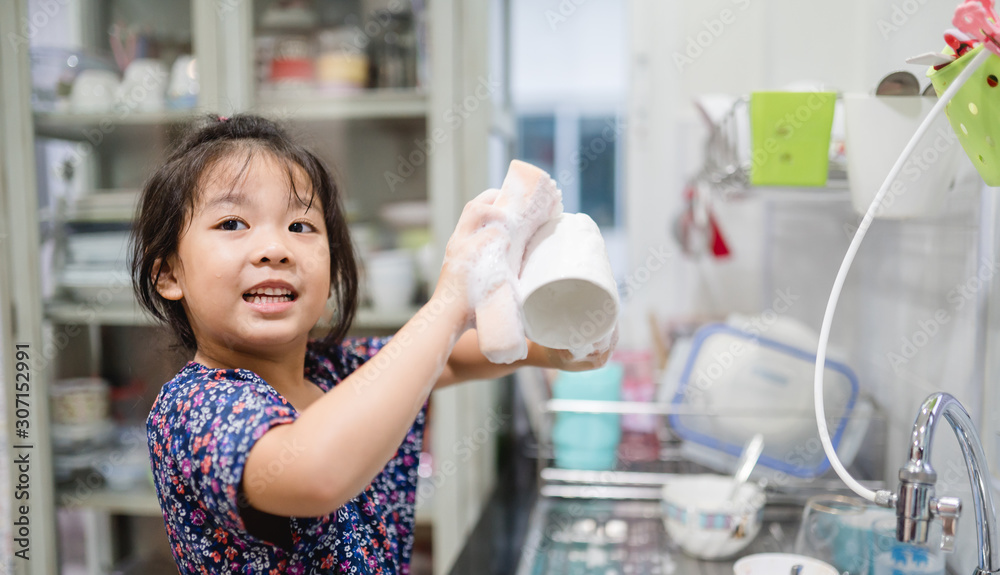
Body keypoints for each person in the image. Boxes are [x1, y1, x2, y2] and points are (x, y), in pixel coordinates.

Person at [130, 114, 611, 574]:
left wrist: (558, 343)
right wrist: (448, 301)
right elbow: (316, 473)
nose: (275, 248)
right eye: (232, 224)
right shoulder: (193, 409)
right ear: (169, 274)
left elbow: (454, 359)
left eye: (301, 227)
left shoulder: (331, 368)